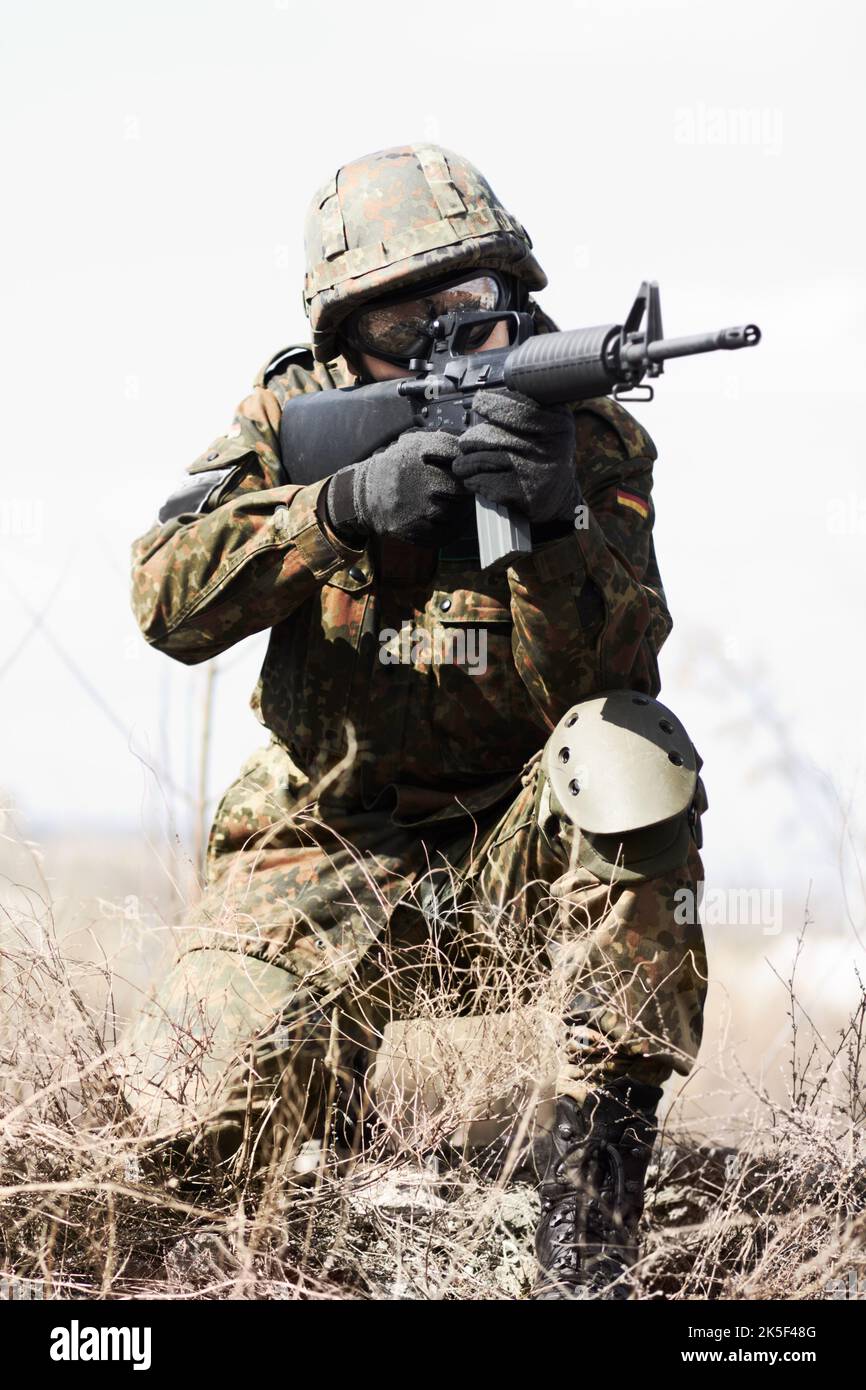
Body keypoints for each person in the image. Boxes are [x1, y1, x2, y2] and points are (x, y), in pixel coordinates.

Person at [124, 143, 708, 1299]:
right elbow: (165, 598)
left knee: (629, 759)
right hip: (324, 837)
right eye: (409, 325)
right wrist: (337, 508)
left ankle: (586, 1223)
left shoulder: (585, 436)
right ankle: (324, 1120)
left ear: (516, 293)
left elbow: (614, 683)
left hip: (513, 849)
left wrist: (549, 526)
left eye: (475, 306)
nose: (454, 338)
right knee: (193, 1143)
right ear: (347, 336)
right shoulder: (295, 411)